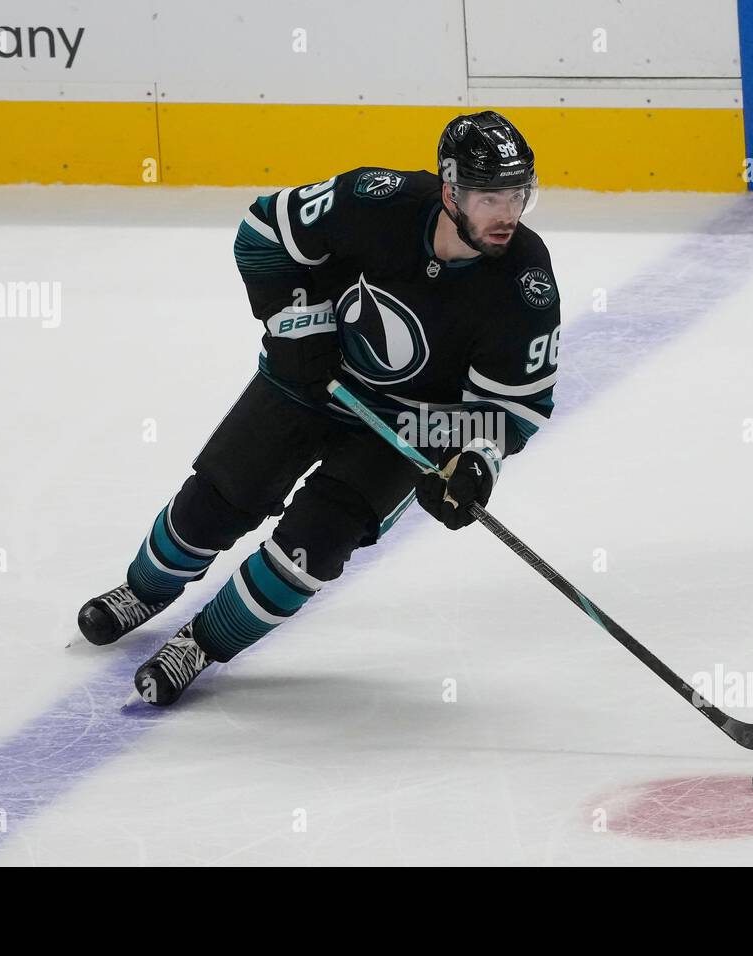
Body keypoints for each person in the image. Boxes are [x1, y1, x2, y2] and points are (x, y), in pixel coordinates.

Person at [77, 110, 562, 706]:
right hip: (310, 382)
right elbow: (261, 234)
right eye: (490, 197)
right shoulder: (374, 201)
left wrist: (474, 461)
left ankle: (202, 643)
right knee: (216, 501)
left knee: (311, 549)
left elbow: (517, 408)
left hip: (401, 428)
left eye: (518, 195)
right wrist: (297, 329)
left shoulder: (525, 283)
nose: (507, 214)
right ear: (450, 189)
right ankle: (144, 591)